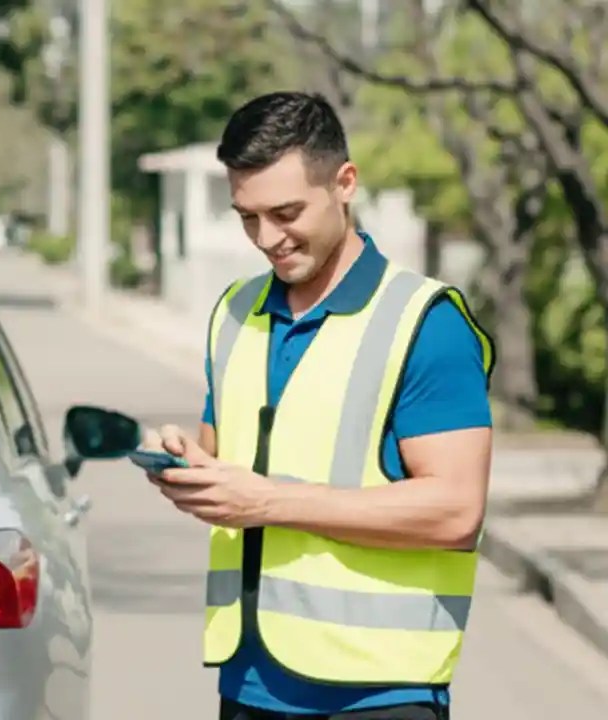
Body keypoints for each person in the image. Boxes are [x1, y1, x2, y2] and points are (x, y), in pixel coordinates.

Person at [141, 91, 494, 720]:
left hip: (380, 695)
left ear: (345, 184)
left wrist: (269, 501)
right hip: (248, 682)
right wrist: (191, 467)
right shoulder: (233, 312)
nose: (266, 238)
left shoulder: (426, 322)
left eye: (286, 212)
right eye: (247, 216)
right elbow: (228, 459)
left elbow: (455, 511)